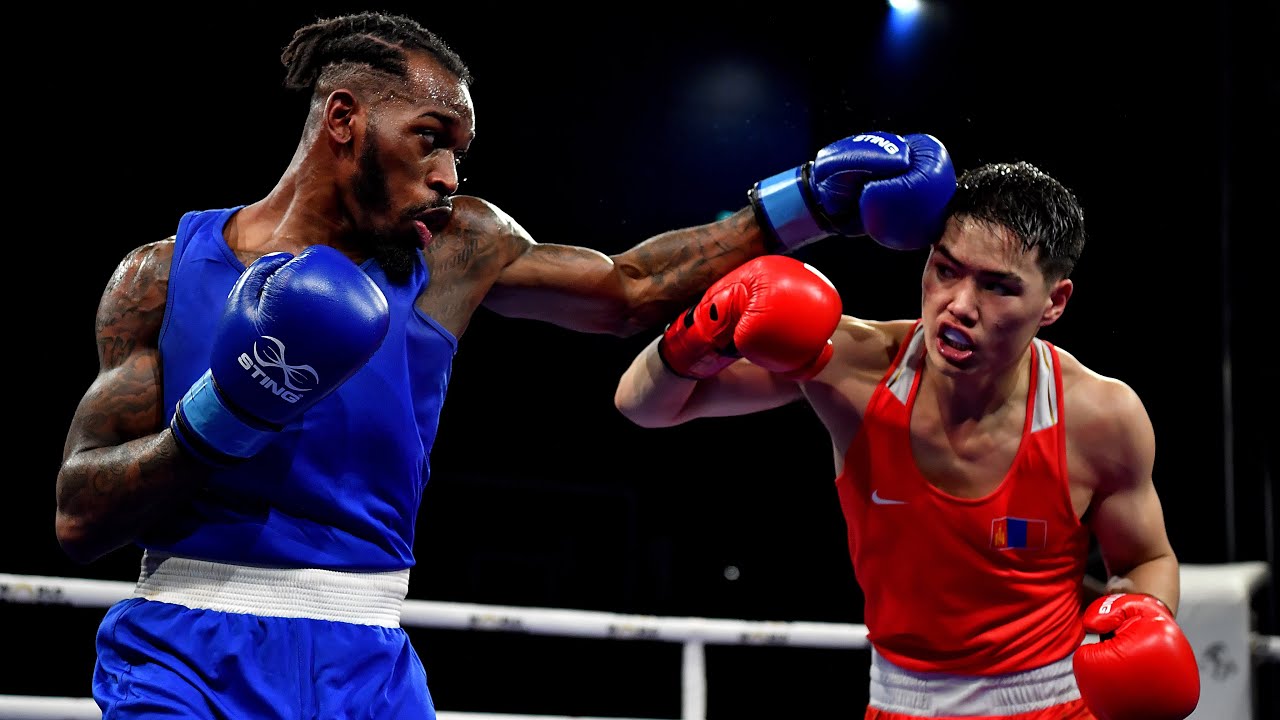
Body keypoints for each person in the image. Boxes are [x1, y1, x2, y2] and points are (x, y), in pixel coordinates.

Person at [53, 10, 957, 720]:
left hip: (365, 659)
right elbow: (78, 515)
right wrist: (227, 415)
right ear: (344, 119)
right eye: (430, 136)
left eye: (460, 151)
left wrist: (807, 202)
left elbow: (631, 288)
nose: (449, 173)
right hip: (184, 652)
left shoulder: (454, 249)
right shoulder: (163, 274)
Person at [614, 160, 1201, 720]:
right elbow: (642, 406)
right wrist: (694, 335)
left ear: (1054, 301)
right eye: (946, 269)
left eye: (997, 287)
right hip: (900, 701)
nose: (959, 306)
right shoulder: (852, 365)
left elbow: (1145, 557)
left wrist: (1147, 615)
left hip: (1057, 700)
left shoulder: (1100, 415)